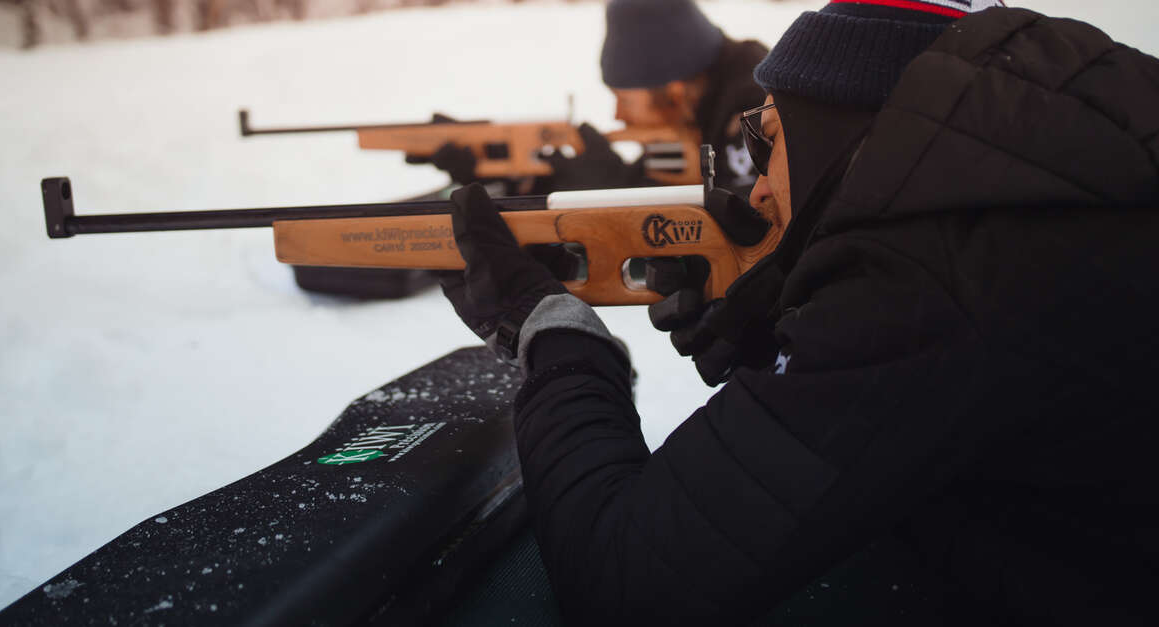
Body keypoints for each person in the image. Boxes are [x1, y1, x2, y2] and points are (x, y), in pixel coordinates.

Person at [438, 1, 1159, 625]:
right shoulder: (1035, 194)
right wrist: (779, 339)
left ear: (831, 130)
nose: (752, 190)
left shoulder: (923, 284)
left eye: (768, 136)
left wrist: (557, 337)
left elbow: (623, 581)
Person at [421, 0, 769, 195]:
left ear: (673, 90)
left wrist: (615, 184)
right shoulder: (682, 120)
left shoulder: (759, 109)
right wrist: (520, 174)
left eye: (625, 99)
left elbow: (745, 224)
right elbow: (650, 184)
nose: (617, 115)